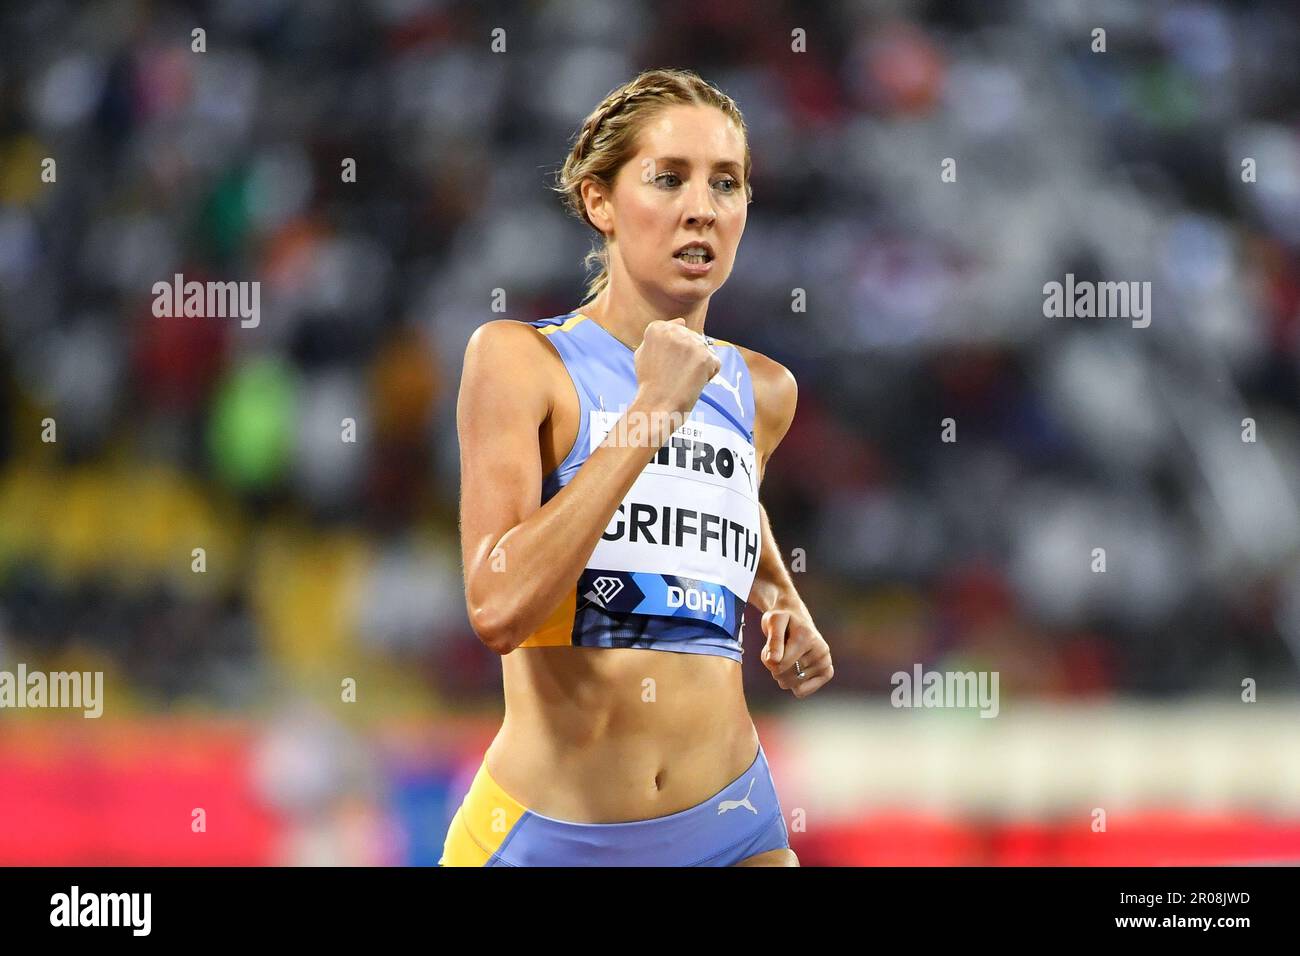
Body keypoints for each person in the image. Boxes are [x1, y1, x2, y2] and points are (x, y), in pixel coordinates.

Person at [440, 68, 832, 866]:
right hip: (549, 839)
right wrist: (650, 410)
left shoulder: (763, 390)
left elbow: (718, 493)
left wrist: (778, 594)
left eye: (728, 184)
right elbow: (498, 606)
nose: (702, 208)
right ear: (600, 203)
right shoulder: (522, 362)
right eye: (668, 178)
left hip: (734, 825)